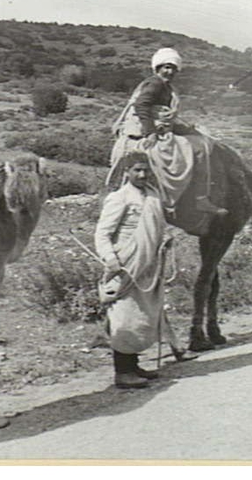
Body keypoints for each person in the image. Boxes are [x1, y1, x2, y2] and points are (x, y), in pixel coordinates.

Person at [109, 48, 228, 217]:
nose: (169, 71)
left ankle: (196, 198)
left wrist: (188, 128)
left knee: (199, 141)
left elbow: (164, 115)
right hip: (146, 132)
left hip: (159, 128)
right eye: (166, 67)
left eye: (173, 68)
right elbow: (141, 105)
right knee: (199, 150)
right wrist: (150, 132)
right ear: (157, 68)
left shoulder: (166, 87)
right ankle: (199, 199)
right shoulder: (155, 84)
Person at [94, 151, 173, 389]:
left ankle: (134, 364)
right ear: (126, 172)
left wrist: (165, 237)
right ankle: (123, 371)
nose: (142, 174)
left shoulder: (153, 194)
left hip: (148, 264)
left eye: (146, 170)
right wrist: (110, 259)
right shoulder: (119, 198)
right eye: (136, 170)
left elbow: (157, 224)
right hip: (126, 264)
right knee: (124, 317)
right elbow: (102, 233)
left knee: (143, 313)